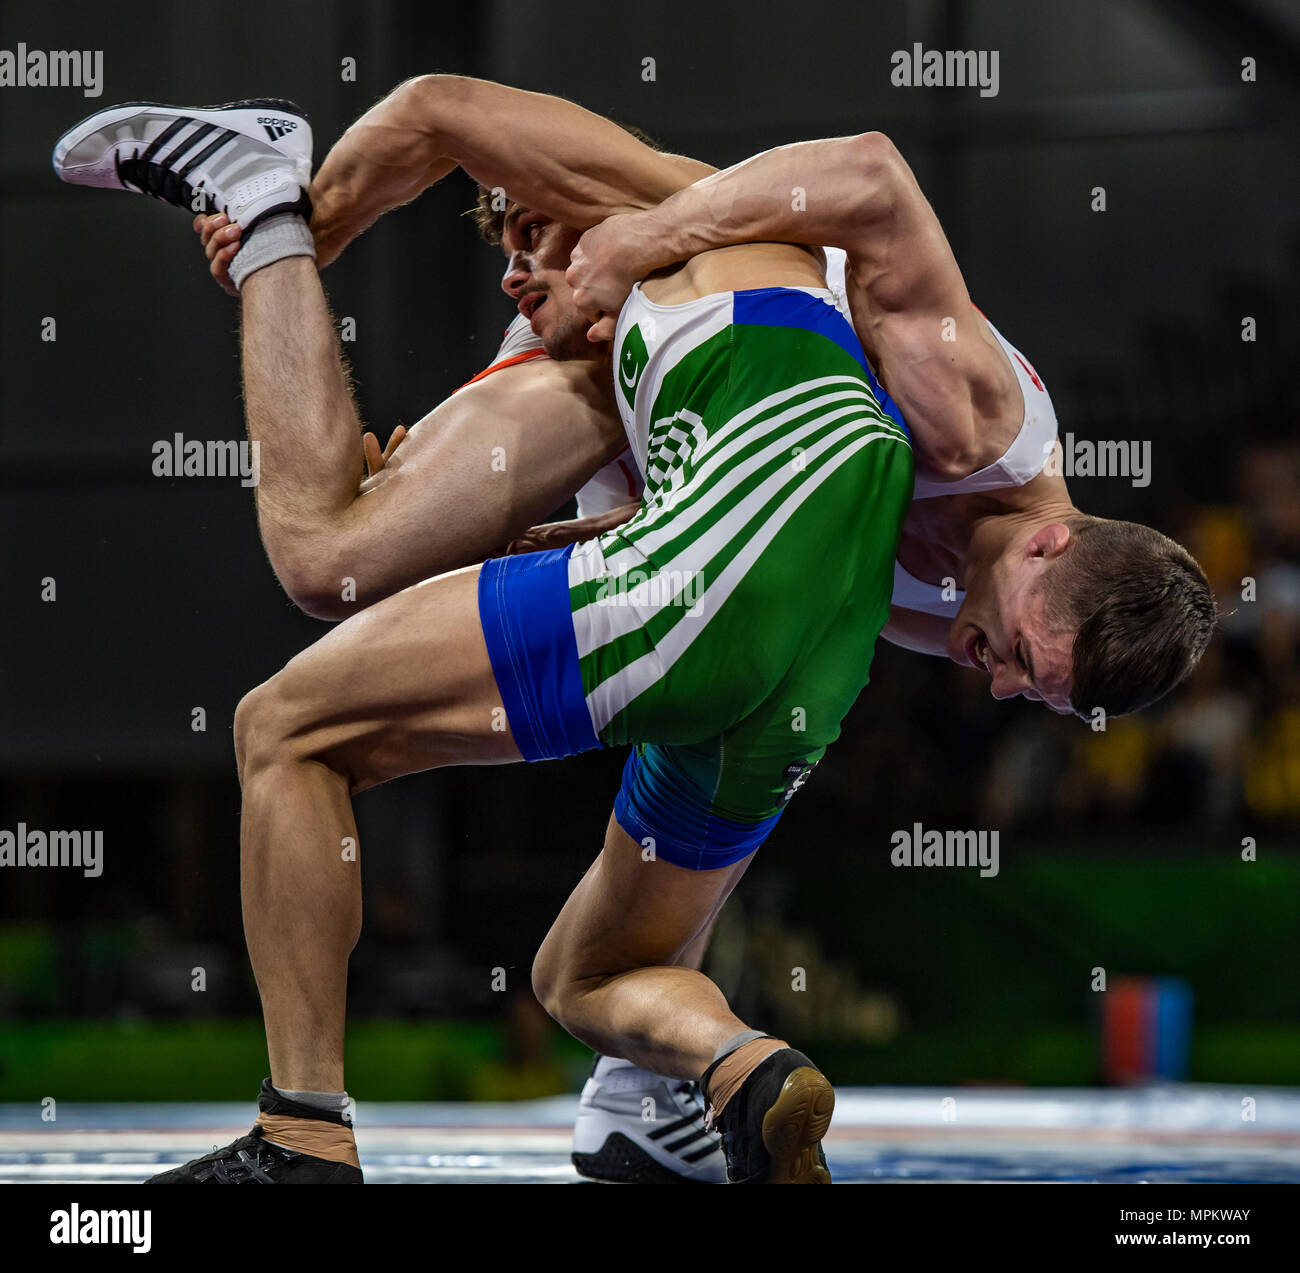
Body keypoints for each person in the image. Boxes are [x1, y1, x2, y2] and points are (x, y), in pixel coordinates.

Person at [52, 75, 1213, 1185]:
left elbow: (835, 183)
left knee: (306, 660)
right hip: (788, 634)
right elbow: (653, 502)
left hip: (744, 541)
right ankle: (694, 1080)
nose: (998, 682)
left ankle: (313, 1130)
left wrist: (318, 232)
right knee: (586, 948)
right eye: (1021, 660)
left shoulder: (901, 381)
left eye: (539, 237)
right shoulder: (628, 340)